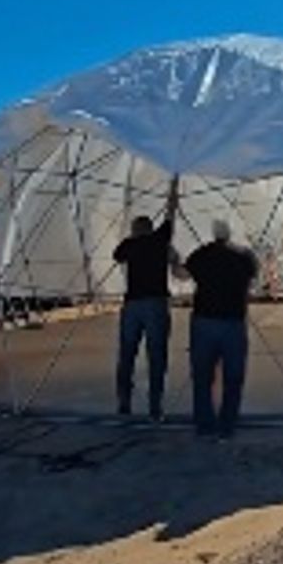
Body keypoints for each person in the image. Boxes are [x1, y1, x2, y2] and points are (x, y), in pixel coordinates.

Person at [111, 176, 181, 419]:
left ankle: (124, 402)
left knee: (127, 354)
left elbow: (117, 256)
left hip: (132, 306)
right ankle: (155, 406)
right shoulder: (160, 240)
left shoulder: (129, 244)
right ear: (151, 228)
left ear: (134, 229)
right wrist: (174, 185)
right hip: (155, 304)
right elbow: (171, 211)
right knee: (157, 355)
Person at [184, 218, 258, 439]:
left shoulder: (201, 254)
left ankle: (205, 424)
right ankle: (227, 424)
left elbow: (182, 274)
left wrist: (172, 260)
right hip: (233, 322)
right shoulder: (244, 256)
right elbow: (253, 276)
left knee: (202, 376)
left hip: (204, 321)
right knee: (233, 377)